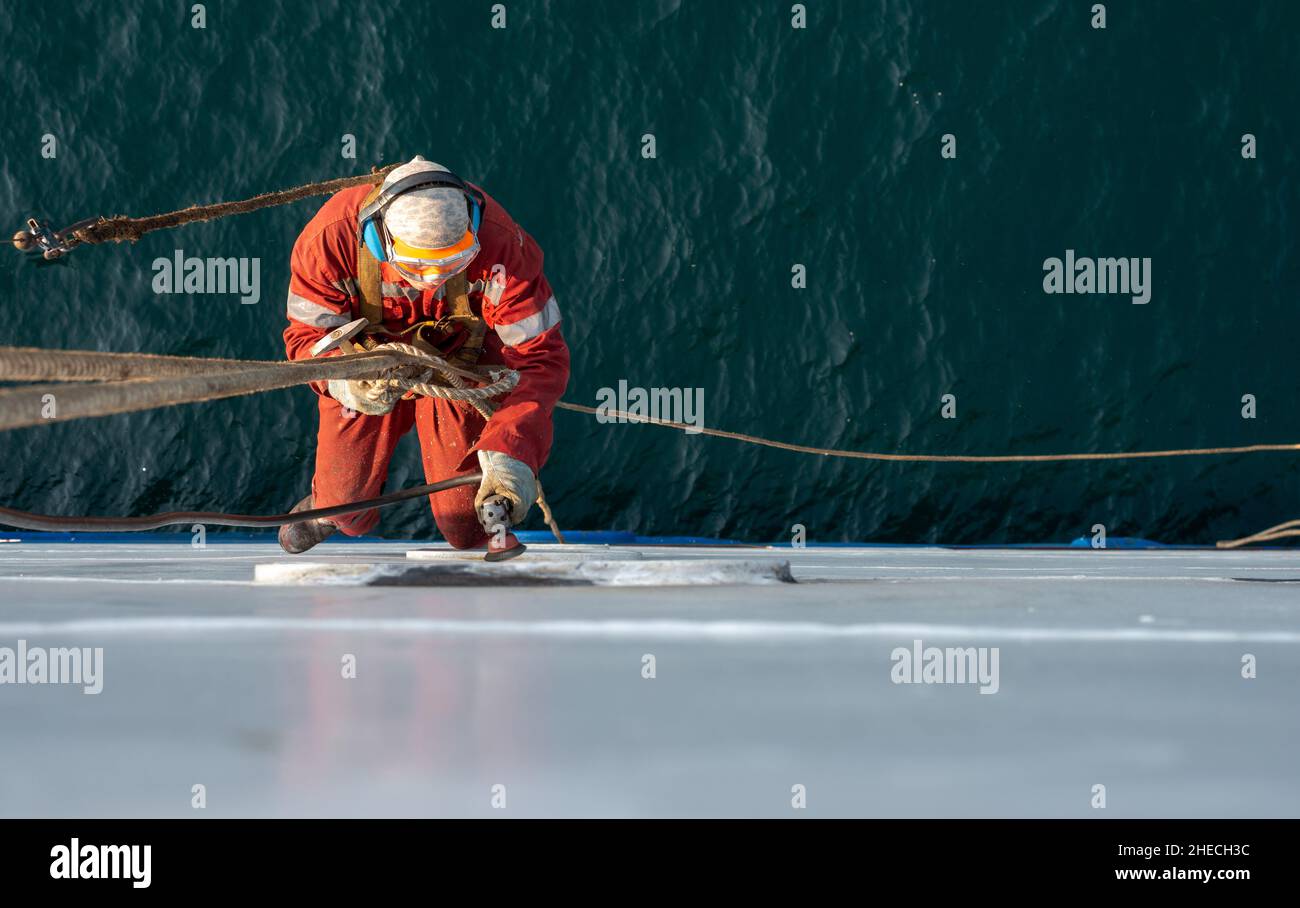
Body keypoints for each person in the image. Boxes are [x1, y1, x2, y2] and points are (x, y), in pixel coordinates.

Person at [278, 156, 569, 553]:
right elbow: (306, 338)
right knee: (345, 505)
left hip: (462, 367)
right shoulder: (328, 242)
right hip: (366, 370)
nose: (434, 280)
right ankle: (331, 508)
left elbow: (541, 359)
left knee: (469, 528)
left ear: (473, 230)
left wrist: (511, 449)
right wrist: (342, 384)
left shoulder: (504, 248)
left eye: (453, 263)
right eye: (418, 266)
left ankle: (473, 507)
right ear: (381, 241)